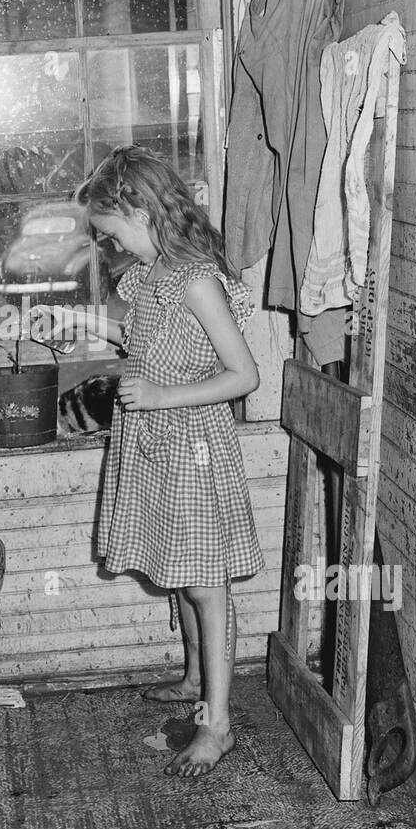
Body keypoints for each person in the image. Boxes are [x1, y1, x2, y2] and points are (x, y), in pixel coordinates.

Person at [74, 146, 265, 777]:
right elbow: (147, 338)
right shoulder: (150, 275)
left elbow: (244, 376)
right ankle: (193, 679)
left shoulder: (195, 279)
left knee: (206, 587)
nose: (109, 244)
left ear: (140, 208)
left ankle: (220, 726)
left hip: (192, 443)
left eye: (111, 230)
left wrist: (159, 395)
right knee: (178, 566)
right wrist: (75, 321)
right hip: (157, 447)